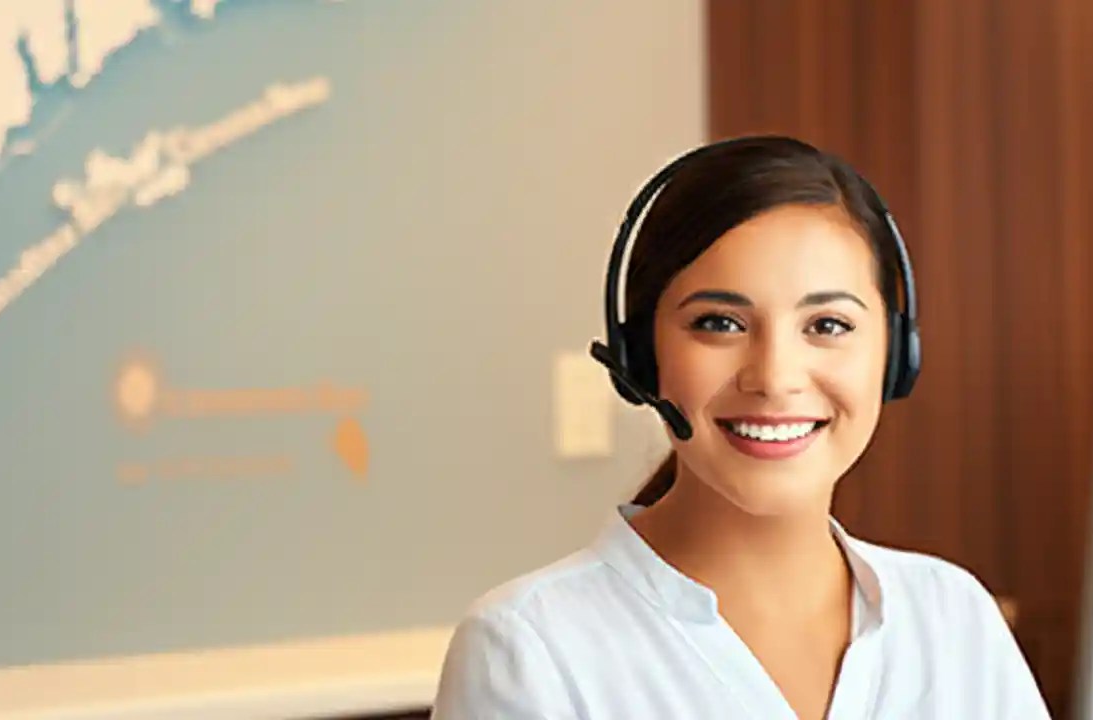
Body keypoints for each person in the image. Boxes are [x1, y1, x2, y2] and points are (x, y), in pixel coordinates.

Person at [429, 136, 1052, 719]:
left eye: (828, 325)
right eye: (720, 323)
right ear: (641, 359)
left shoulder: (951, 617)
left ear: (894, 357)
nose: (775, 378)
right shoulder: (528, 649)